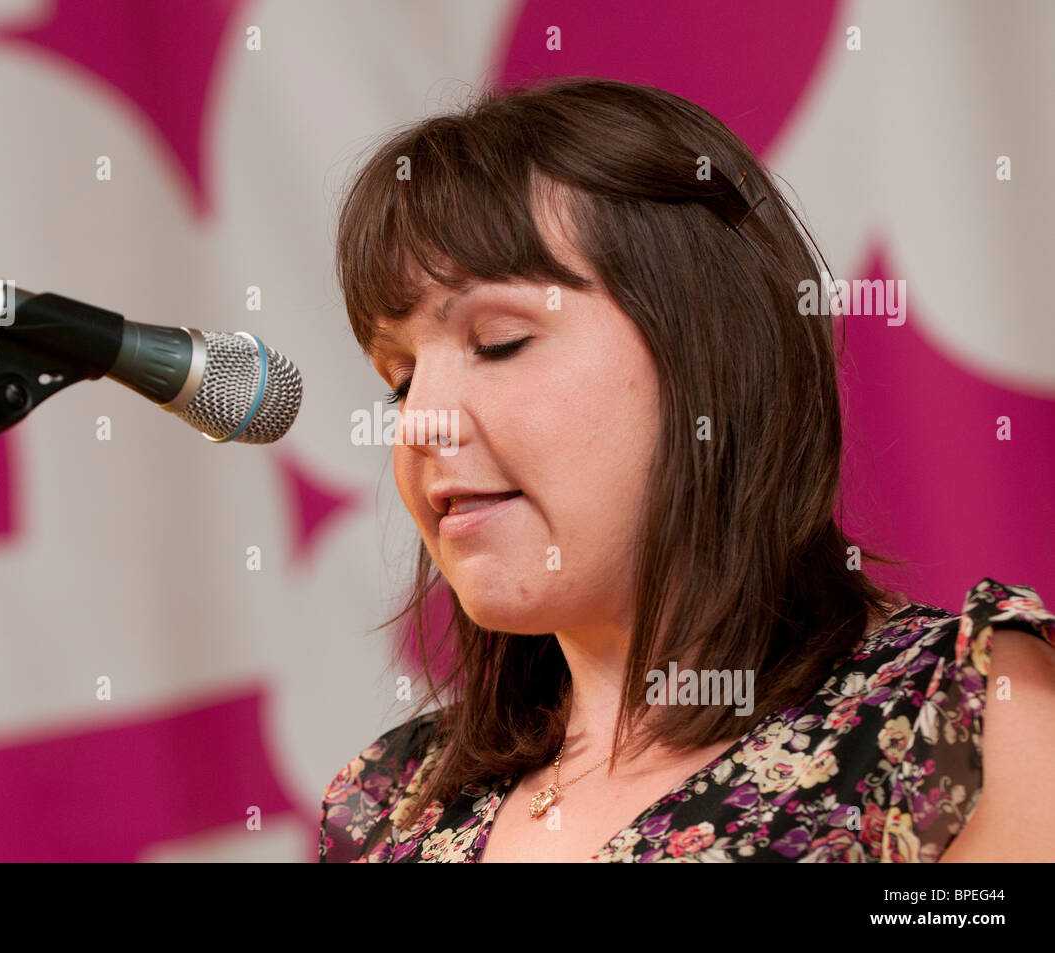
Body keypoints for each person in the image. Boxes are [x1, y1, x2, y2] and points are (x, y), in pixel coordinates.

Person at [319, 76, 1055, 862]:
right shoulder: (389, 801)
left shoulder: (955, 714)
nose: (421, 421)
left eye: (499, 341)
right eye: (398, 381)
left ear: (708, 358)